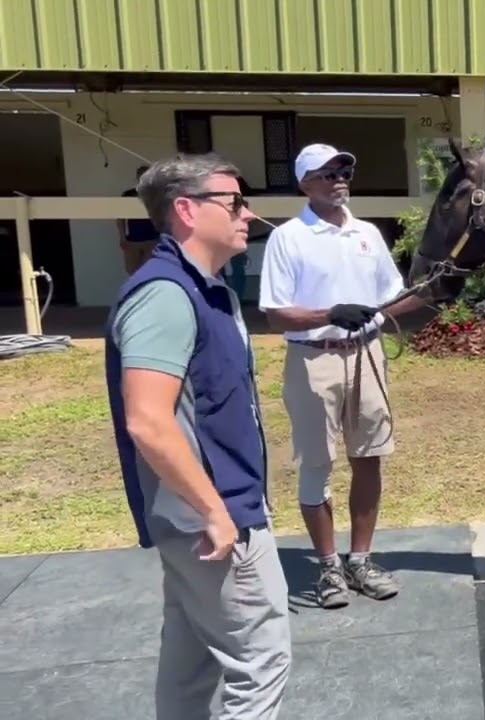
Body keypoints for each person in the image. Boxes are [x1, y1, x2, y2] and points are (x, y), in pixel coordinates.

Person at [103, 153, 291, 719]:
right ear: (186, 210)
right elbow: (148, 421)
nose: (248, 214)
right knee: (261, 663)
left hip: (204, 513)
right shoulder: (165, 294)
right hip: (210, 518)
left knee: (190, 666)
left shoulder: (210, 291)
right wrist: (216, 511)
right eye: (233, 202)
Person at [257, 143, 426, 609]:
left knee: (369, 456)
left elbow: (393, 297)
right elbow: (276, 315)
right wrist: (329, 314)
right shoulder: (288, 238)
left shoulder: (367, 234)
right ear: (304, 183)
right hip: (314, 360)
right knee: (317, 463)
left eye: (344, 170)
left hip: (367, 355)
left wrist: (441, 289)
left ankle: (361, 559)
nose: (339, 179)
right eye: (327, 173)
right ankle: (328, 565)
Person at [118, 164, 163, 274]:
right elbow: (120, 217)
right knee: (132, 272)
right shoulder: (128, 195)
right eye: (141, 175)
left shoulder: (156, 194)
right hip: (133, 240)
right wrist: (123, 238)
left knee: (151, 271)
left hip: (152, 239)